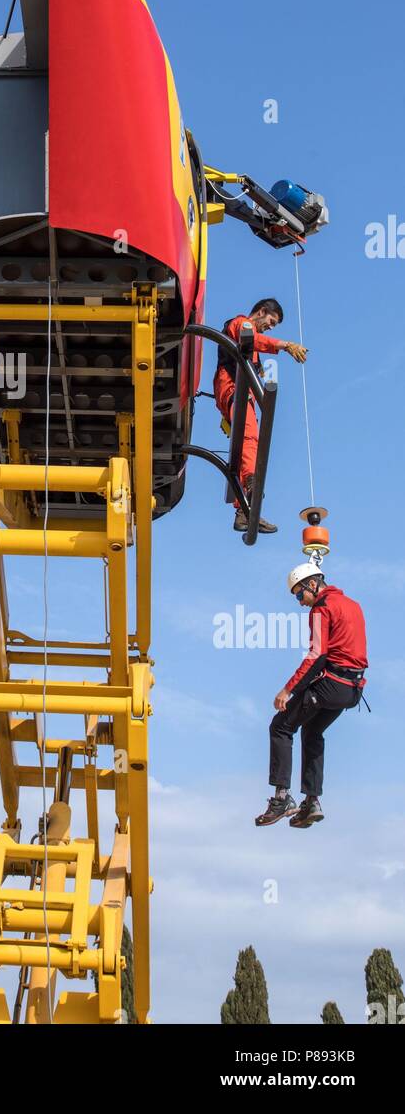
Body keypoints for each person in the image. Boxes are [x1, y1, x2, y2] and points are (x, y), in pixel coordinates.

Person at [255, 564, 368, 828]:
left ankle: (282, 798)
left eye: (298, 595)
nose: (300, 602)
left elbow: (317, 655)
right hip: (352, 689)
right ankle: (312, 801)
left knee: (280, 726)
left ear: (313, 585)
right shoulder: (353, 604)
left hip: (331, 684)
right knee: (312, 732)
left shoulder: (321, 608)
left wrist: (288, 689)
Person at [214, 298, 307, 533]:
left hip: (239, 393)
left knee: (246, 447)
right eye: (271, 321)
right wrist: (284, 345)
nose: (271, 327)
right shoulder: (242, 323)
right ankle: (251, 482)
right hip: (234, 389)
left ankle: (243, 511)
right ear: (262, 312)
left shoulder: (250, 342)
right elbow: (252, 340)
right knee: (249, 440)